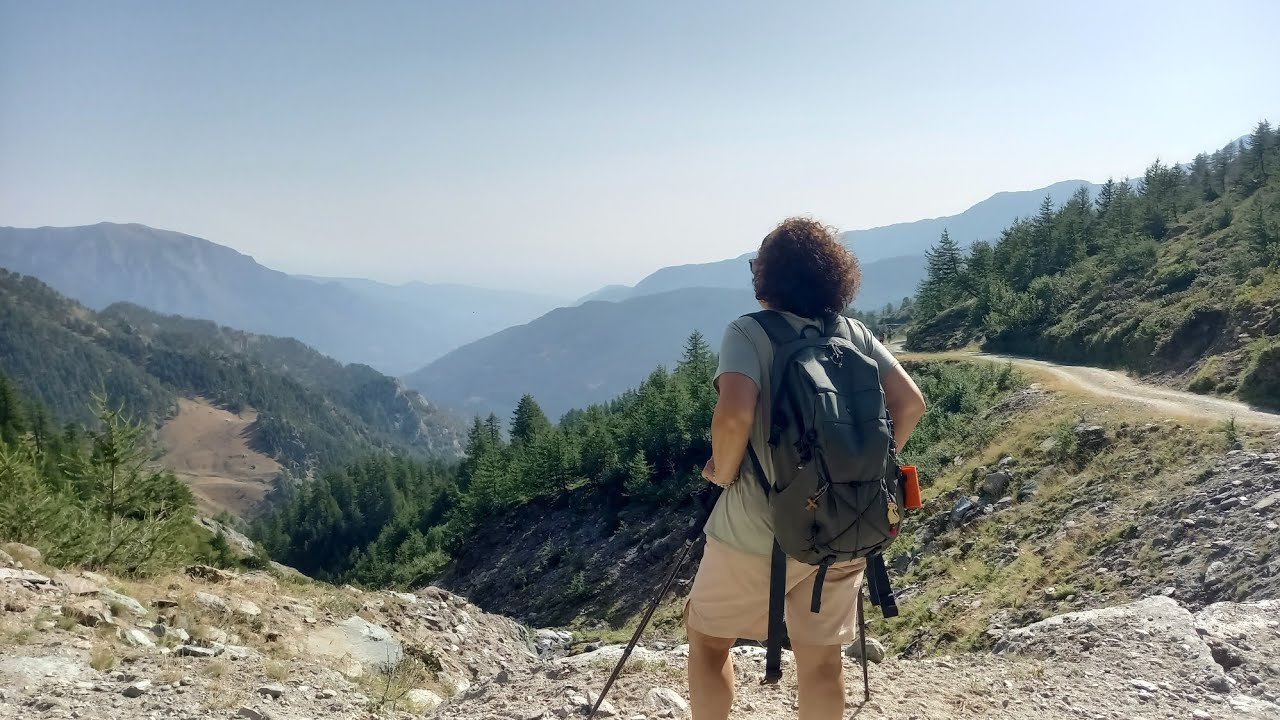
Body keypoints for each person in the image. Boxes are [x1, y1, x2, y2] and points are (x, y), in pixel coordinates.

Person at [684, 217, 927, 720]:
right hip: (843, 522)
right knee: (821, 664)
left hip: (753, 530)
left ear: (766, 277)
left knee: (708, 643)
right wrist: (863, 469)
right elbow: (911, 402)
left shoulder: (749, 333)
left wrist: (721, 473)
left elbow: (733, 414)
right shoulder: (854, 334)